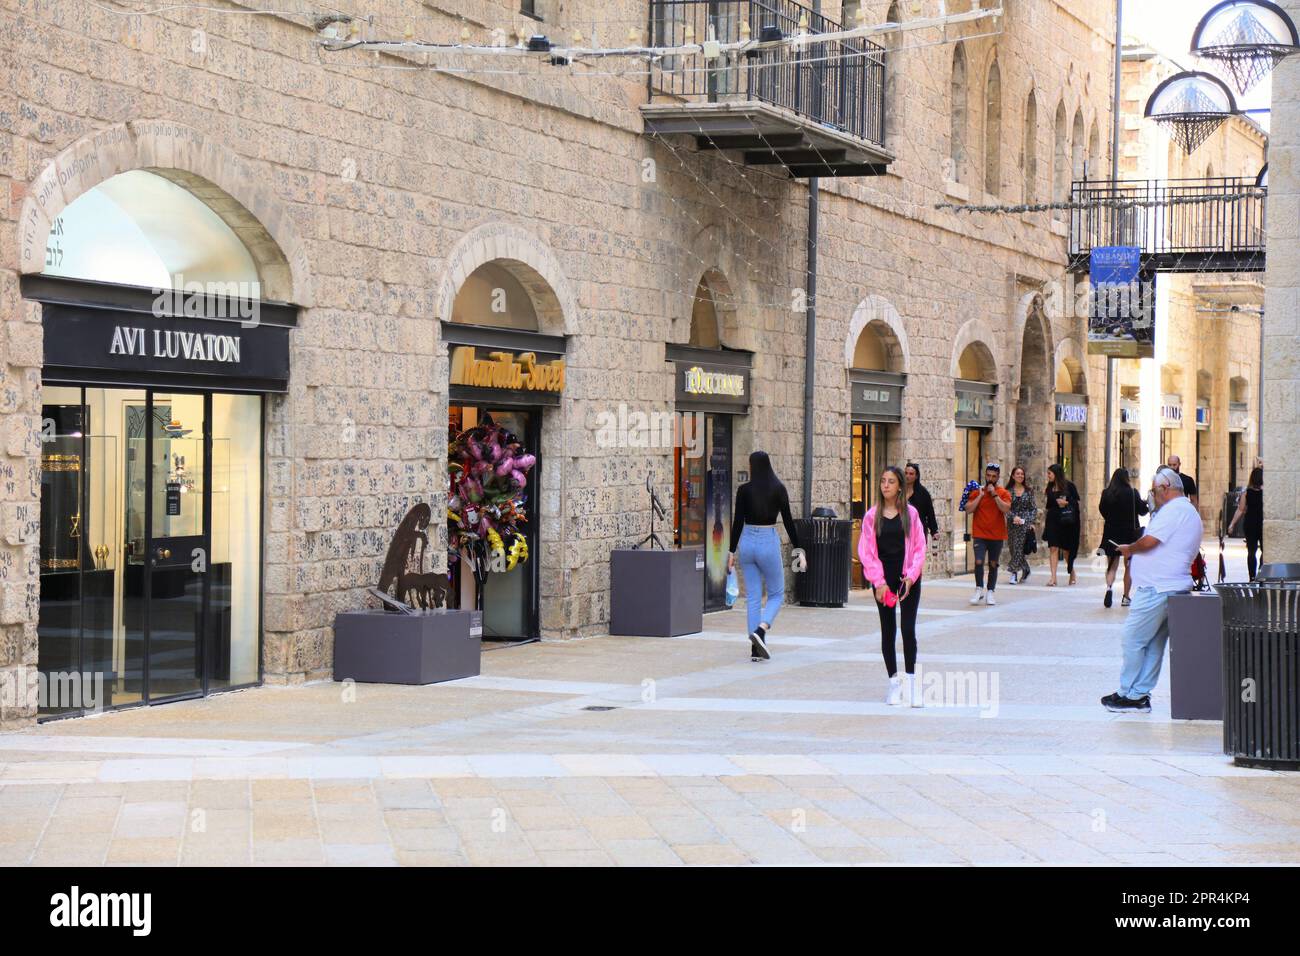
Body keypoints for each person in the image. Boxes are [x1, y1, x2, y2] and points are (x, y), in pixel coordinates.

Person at [1102, 467, 1204, 713]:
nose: (1153, 496)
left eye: (1154, 491)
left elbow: (1150, 541)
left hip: (1158, 587)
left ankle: (1129, 693)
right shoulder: (1186, 510)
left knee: (1133, 638)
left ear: (1164, 488)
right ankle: (1138, 694)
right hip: (1169, 586)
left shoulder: (1174, 510)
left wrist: (1129, 549)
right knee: (1155, 642)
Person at [858, 466, 927, 707]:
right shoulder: (871, 516)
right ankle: (893, 685)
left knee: (908, 630)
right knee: (888, 631)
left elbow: (919, 547)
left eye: (890, 481)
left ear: (899, 486)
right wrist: (878, 582)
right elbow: (866, 552)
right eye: (882, 481)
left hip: (908, 579)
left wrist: (911, 576)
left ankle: (912, 685)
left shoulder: (912, 514)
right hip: (883, 582)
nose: (885, 485)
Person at [727, 451, 805, 663]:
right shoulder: (778, 488)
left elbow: (737, 523)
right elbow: (789, 522)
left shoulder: (744, 490)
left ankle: (755, 649)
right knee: (777, 594)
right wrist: (799, 550)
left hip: (747, 542)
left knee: (753, 597)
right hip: (767, 540)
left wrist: (731, 551)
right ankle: (761, 631)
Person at [1099, 467, 1148, 608]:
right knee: (1128, 566)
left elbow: (1102, 510)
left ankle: (1109, 588)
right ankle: (1126, 597)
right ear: (1126, 479)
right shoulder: (1132, 493)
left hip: (1111, 533)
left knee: (1111, 565)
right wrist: (1145, 502)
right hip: (1128, 534)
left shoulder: (1106, 493)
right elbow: (1143, 511)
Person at [964, 462, 1011, 606]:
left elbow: (1006, 509)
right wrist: (980, 496)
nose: (990, 478)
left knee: (993, 563)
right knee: (978, 561)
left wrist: (995, 495)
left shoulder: (1003, 493)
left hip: (996, 535)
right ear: (985, 475)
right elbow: (968, 509)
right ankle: (979, 589)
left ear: (997, 477)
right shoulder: (976, 491)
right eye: (988, 475)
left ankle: (991, 591)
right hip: (980, 533)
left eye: (994, 476)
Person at [1043, 463, 1081, 586]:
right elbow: (1048, 505)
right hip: (1053, 520)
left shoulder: (1069, 486)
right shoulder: (1049, 487)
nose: (1048, 476)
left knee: (1066, 551)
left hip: (1066, 521)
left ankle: (1072, 573)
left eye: (1049, 473)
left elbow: (1076, 503)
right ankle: (1053, 578)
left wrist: (1066, 502)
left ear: (1056, 473)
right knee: (1053, 548)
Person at [1227, 466, 1263, 581]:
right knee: (1265, 551)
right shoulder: (1266, 494)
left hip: (1250, 524)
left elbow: (1240, 510)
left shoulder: (1246, 493)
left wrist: (1232, 524)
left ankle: (1252, 577)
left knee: (1251, 551)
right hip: (1263, 524)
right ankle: (1262, 573)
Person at [1004, 465, 1037, 584]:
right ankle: (1026, 568)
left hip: (1025, 523)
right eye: (1017, 474)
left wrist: (1030, 521)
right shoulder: (1007, 491)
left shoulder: (1029, 491)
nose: (1020, 476)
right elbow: (1005, 508)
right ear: (1013, 476)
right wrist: (1014, 517)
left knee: (1018, 547)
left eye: (1022, 474)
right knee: (1013, 547)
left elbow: (1033, 508)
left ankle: (1013, 573)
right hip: (1012, 523)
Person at [904, 463, 939, 543]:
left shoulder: (923, 493)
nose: (907, 476)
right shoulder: (899, 491)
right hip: (902, 531)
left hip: (919, 532)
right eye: (906, 473)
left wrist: (934, 531)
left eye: (911, 474)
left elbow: (930, 513)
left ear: (916, 476)